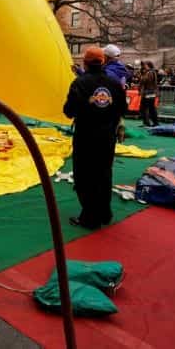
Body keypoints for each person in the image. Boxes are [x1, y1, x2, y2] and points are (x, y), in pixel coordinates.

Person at [62, 46, 126, 229]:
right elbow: (122, 108)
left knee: (85, 176)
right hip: (107, 137)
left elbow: (69, 111)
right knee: (104, 173)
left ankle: (90, 218)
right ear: (103, 61)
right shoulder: (114, 84)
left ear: (85, 62)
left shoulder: (80, 83)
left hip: (86, 136)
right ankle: (104, 213)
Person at [139, 61, 159, 127]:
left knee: (150, 108)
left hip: (149, 92)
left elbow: (145, 80)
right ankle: (147, 122)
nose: (144, 66)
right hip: (148, 92)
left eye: (145, 65)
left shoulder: (151, 72)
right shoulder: (149, 72)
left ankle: (154, 123)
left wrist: (142, 76)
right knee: (145, 108)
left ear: (148, 65)